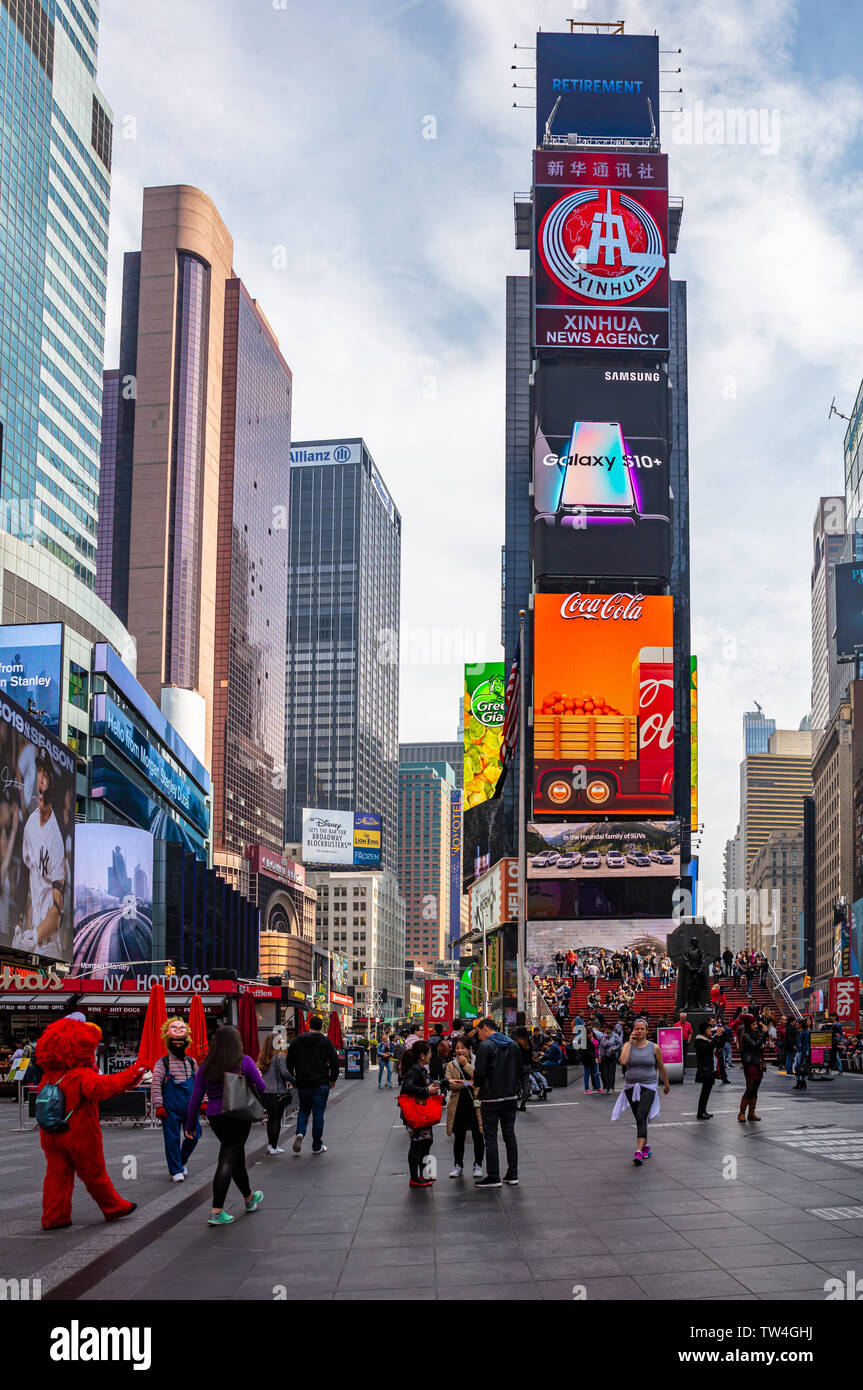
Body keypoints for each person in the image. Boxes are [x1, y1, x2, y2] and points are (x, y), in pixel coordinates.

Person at [35, 1016, 145, 1229]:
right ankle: (113, 1207)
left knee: (57, 1175)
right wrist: (135, 1071)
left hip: (51, 1132)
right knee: (94, 1173)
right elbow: (106, 1087)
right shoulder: (80, 1075)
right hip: (79, 1133)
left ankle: (54, 1216)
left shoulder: (48, 1075)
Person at [185, 1025, 265, 1226]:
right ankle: (217, 1211)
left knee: (235, 1156)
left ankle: (249, 1198)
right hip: (238, 1114)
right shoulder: (244, 1062)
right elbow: (262, 1086)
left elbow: (195, 1098)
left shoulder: (205, 1066)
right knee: (227, 1160)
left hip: (216, 1117)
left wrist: (190, 1124)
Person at [613, 1017, 670, 1163]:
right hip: (631, 1087)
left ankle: (638, 1151)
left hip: (649, 1086)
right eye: (636, 1028)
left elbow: (661, 1067)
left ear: (647, 1031)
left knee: (641, 1115)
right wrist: (629, 1043)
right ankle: (646, 1146)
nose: (639, 1031)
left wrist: (666, 1084)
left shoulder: (654, 1047)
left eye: (642, 1029)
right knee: (640, 1119)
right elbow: (623, 1061)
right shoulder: (628, 1045)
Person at [472, 1018, 520, 1188]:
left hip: (491, 1097)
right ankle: (512, 1173)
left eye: (478, 1031)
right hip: (510, 1096)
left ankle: (494, 1175)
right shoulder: (513, 1045)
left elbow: (479, 1072)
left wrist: (477, 1087)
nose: (478, 1035)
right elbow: (519, 1070)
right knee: (509, 1134)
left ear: (484, 1028)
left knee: (491, 1137)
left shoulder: (485, 1046)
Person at [151, 1017, 201, 1181]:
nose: (178, 1042)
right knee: (172, 1139)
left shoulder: (191, 1062)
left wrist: (205, 1101)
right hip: (170, 1108)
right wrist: (159, 1105)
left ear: (187, 1040)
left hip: (190, 1108)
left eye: (181, 1039)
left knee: (195, 1134)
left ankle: (180, 1161)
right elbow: (156, 1084)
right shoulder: (162, 1063)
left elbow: (200, 1083)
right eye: (175, 1039)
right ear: (168, 1040)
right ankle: (175, 1170)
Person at [287, 1015, 340, 1155]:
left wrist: (294, 1078)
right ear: (321, 1027)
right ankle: (317, 1145)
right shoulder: (325, 1041)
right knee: (318, 1114)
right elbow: (335, 1060)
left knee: (304, 1110)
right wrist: (332, 1079)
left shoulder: (297, 1040)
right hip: (321, 1082)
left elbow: (289, 1061)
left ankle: (300, 1132)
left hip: (303, 1082)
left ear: (309, 1025)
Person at [400, 1040, 440, 1188]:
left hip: (422, 1113)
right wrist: (426, 1091)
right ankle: (415, 1177)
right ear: (422, 1055)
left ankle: (424, 1174)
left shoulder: (421, 1069)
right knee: (417, 1144)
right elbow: (408, 1087)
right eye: (429, 1053)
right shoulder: (415, 1069)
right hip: (416, 1113)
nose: (431, 1055)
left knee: (426, 1142)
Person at [446, 1039, 484, 1179]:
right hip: (457, 1104)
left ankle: (478, 1164)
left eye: (463, 1048)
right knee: (459, 1136)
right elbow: (449, 1083)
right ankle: (458, 1165)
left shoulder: (477, 1062)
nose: (459, 1051)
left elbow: (479, 1079)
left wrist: (466, 1065)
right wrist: (468, 1083)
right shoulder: (451, 1065)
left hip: (477, 1103)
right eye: (457, 1048)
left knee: (478, 1133)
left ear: (470, 1049)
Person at [257, 1032, 293, 1155]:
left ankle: (270, 1145)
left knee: (271, 1119)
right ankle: (273, 1146)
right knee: (276, 1120)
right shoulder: (279, 1056)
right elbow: (285, 1073)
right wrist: (295, 1081)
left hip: (266, 1092)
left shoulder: (262, 1057)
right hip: (278, 1093)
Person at [738, 1018, 767, 1121]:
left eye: (756, 1024)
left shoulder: (756, 1034)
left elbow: (760, 1045)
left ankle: (751, 1113)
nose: (756, 1026)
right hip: (750, 1064)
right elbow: (755, 1045)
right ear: (749, 1025)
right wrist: (763, 1033)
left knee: (755, 1089)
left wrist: (763, 1035)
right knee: (750, 1088)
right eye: (754, 1024)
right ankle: (741, 1113)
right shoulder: (746, 1035)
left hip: (758, 1063)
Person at [694, 1018, 716, 1119]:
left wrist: (720, 1035)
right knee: (705, 1092)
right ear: (704, 1031)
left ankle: (703, 1110)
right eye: (708, 1029)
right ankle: (700, 1112)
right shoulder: (699, 1041)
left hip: (709, 1068)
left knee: (707, 1091)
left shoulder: (707, 1040)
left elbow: (717, 1044)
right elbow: (710, 1047)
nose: (711, 1030)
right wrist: (716, 1038)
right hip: (705, 1069)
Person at [598, 1020, 623, 1094]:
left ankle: (612, 1087)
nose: (607, 1030)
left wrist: (615, 1048)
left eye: (609, 1029)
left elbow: (620, 1044)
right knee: (604, 1073)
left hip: (612, 1056)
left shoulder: (615, 1035)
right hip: (604, 1056)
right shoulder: (603, 1036)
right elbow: (601, 1047)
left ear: (612, 1029)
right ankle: (606, 1087)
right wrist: (600, 1056)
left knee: (611, 1072)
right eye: (606, 1029)